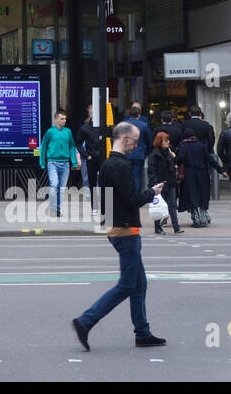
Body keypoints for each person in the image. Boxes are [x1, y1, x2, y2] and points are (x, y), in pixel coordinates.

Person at [72, 122, 167, 352]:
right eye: (134, 141)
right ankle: (86, 321)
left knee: (139, 283)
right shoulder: (121, 166)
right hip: (126, 229)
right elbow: (131, 200)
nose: (135, 146)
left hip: (115, 226)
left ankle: (142, 332)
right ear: (124, 139)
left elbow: (106, 199)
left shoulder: (105, 164)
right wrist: (151, 193)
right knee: (128, 284)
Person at [176, 128, 224, 227]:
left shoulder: (183, 146)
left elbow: (180, 158)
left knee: (193, 195)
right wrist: (221, 170)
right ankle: (204, 215)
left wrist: (177, 163)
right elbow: (210, 159)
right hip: (202, 174)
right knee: (202, 194)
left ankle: (196, 216)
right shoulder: (201, 146)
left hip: (190, 174)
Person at [39, 108, 79, 217]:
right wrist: (42, 162)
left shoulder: (68, 132)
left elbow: (71, 146)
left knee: (61, 188)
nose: (64, 121)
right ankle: (52, 208)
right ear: (56, 119)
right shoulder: (50, 132)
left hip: (65, 163)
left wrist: (74, 162)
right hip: (52, 162)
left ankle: (57, 209)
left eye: (65, 119)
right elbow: (43, 146)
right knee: (54, 184)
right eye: (61, 119)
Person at [146, 132, 182, 235]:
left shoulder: (169, 152)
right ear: (159, 142)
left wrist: (174, 158)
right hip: (160, 183)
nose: (167, 142)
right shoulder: (155, 154)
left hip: (170, 182)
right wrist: (154, 183)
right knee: (159, 205)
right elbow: (151, 170)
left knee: (172, 205)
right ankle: (157, 227)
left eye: (168, 140)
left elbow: (173, 167)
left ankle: (176, 227)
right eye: (165, 141)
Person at [76, 108, 104, 213]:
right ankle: (94, 207)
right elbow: (78, 143)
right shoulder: (85, 128)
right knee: (92, 182)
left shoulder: (104, 127)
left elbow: (111, 140)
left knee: (104, 182)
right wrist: (86, 156)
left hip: (102, 158)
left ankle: (104, 206)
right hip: (91, 158)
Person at [123, 103, 152, 192]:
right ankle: (135, 199)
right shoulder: (143, 125)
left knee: (126, 177)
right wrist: (147, 152)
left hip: (126, 154)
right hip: (139, 154)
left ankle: (127, 197)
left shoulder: (124, 124)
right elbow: (149, 140)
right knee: (137, 177)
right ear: (139, 115)